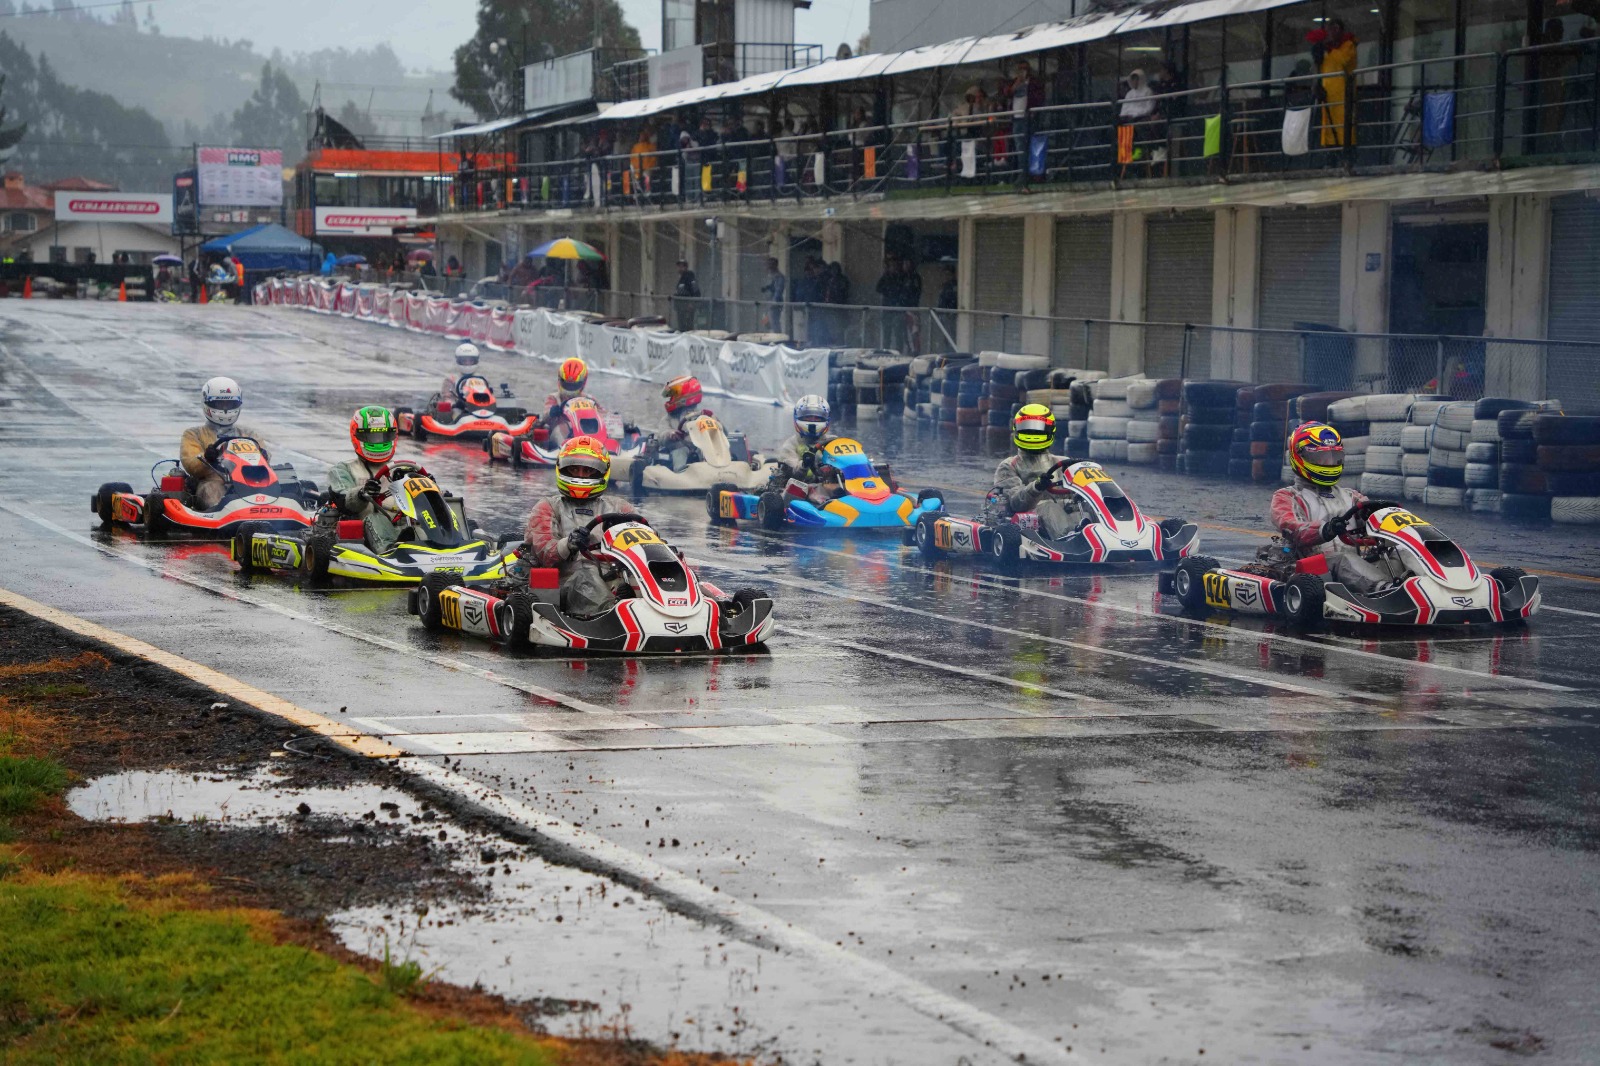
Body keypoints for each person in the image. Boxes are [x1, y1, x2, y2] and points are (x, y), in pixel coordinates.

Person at [1271, 422, 1402, 593]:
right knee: (1342, 559)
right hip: (1309, 571)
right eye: (1321, 459)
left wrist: (1378, 517)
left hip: (1351, 569)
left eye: (1334, 457)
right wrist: (1325, 529)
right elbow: (1293, 528)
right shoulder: (1287, 497)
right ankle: (1385, 591)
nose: (1328, 463)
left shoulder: (1350, 496)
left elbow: (1372, 517)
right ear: (1299, 457)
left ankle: (1422, 586)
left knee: (1399, 553)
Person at [522, 436, 638, 617]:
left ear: (601, 472)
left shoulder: (620, 507)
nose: (580, 476)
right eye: (574, 469)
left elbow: (643, 541)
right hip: (567, 581)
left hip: (612, 578)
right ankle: (611, 617)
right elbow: (544, 554)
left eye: (588, 470)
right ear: (562, 468)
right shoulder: (548, 507)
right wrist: (568, 544)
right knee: (588, 575)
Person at [324, 405, 424, 552]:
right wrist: (361, 494)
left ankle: (442, 547)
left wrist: (429, 487)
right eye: (371, 437)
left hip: (403, 526)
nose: (378, 442)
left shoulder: (402, 470)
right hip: (364, 534)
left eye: (384, 436)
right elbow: (343, 500)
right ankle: (390, 551)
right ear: (357, 436)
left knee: (426, 518)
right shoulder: (342, 470)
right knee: (376, 518)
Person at [989, 404, 1080, 540]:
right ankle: (1069, 540)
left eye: (1037, 430)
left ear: (1050, 430)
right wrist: (1036, 487)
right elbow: (1015, 503)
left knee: (1083, 506)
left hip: (1064, 514)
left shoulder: (1064, 462)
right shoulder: (1008, 466)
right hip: (1029, 520)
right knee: (1048, 507)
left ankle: (1104, 535)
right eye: (1027, 429)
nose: (1033, 434)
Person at [179, 377, 268, 510]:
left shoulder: (248, 434)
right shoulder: (193, 434)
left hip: (249, 482)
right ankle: (222, 514)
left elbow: (265, 458)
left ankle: (271, 511)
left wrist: (263, 455)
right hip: (212, 481)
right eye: (220, 404)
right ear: (207, 403)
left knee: (278, 486)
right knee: (211, 490)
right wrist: (207, 457)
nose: (225, 408)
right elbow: (191, 464)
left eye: (229, 404)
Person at [772, 395, 839, 505]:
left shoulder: (834, 442)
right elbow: (793, 474)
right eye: (808, 417)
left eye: (817, 418)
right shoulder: (790, 445)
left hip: (828, 487)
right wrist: (805, 464)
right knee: (800, 489)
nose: (813, 421)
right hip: (801, 489)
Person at [1310, 20, 1358, 147]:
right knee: (1330, 128)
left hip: (1343, 94)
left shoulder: (1348, 45)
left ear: (1338, 30)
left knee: (1344, 127)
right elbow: (1320, 68)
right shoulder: (1328, 49)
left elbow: (1343, 60)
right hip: (1328, 93)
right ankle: (1331, 154)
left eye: (1331, 30)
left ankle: (1345, 154)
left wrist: (1329, 48)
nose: (1328, 34)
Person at [537, 357, 590, 428]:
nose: (570, 388)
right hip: (559, 435)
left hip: (584, 434)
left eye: (573, 386)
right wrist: (552, 412)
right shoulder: (553, 398)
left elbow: (605, 418)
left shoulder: (589, 400)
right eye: (567, 384)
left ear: (583, 382)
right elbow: (545, 417)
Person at [673, 257, 701, 331]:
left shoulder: (689, 277)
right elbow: (681, 291)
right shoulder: (682, 278)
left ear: (685, 267)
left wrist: (691, 303)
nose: (679, 268)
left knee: (687, 327)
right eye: (678, 266)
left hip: (687, 308)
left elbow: (696, 291)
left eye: (681, 266)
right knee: (681, 326)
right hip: (681, 308)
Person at [760, 256, 786, 331]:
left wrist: (774, 302)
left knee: (774, 322)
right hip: (767, 302)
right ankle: (767, 336)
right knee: (765, 322)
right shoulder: (769, 276)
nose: (767, 267)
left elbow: (778, 290)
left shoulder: (779, 277)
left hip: (774, 304)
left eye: (769, 264)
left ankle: (777, 340)